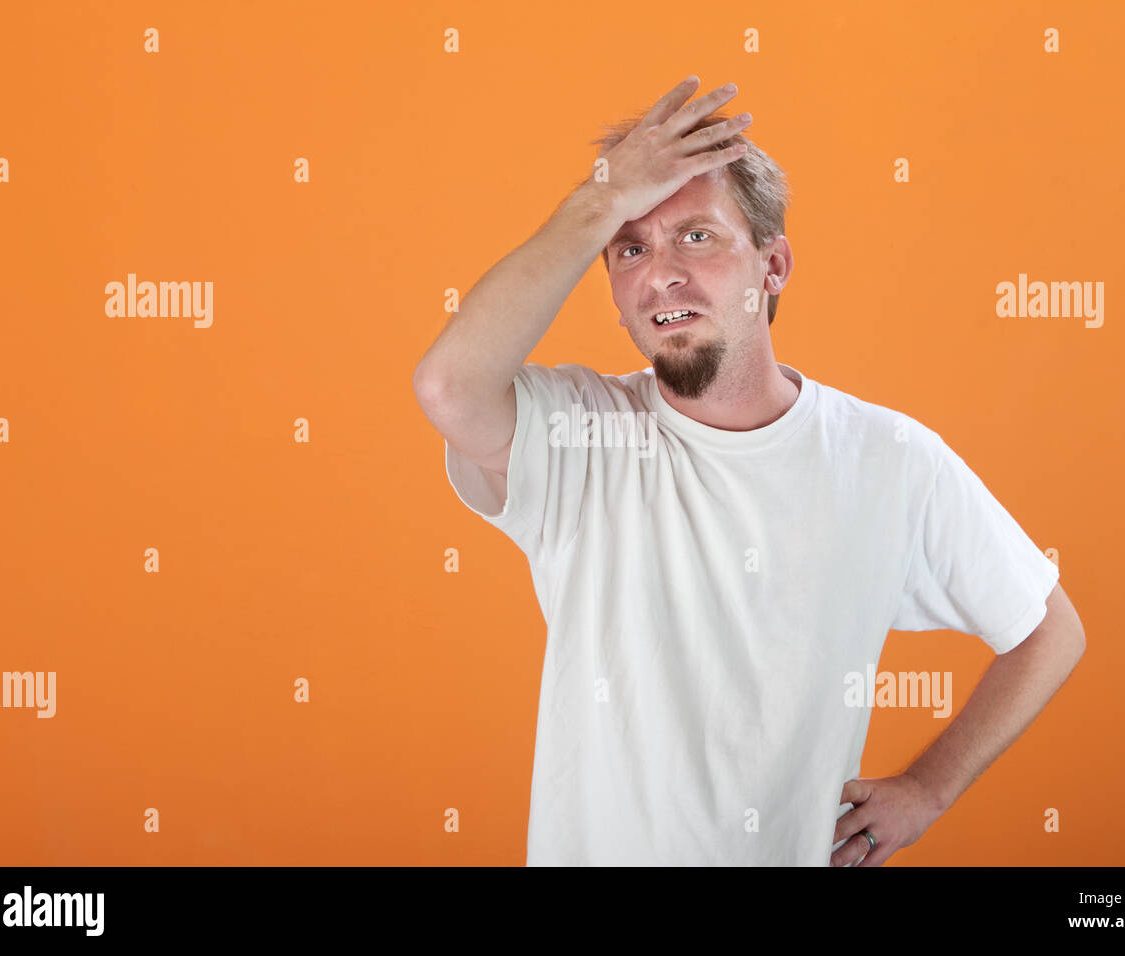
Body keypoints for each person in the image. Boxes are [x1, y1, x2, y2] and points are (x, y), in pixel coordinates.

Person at [412, 74, 1086, 866]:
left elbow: (1049, 631)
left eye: (695, 236)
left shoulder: (888, 459)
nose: (659, 272)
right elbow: (447, 386)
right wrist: (603, 197)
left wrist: (929, 787)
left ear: (774, 267)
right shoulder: (579, 436)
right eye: (630, 247)